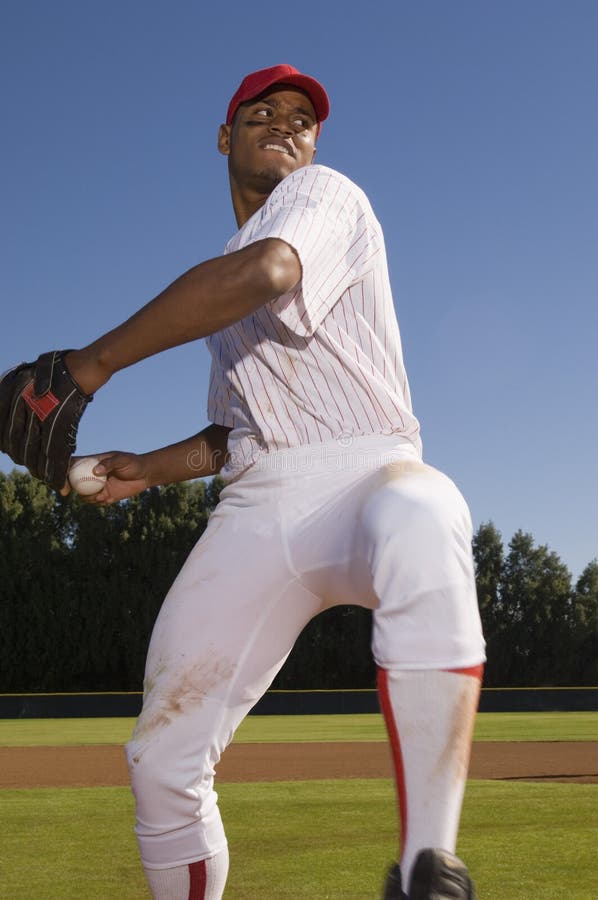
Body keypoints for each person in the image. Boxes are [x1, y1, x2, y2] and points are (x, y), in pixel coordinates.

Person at [5, 64, 486, 899]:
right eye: (261, 112)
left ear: (317, 143)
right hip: (261, 507)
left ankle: (425, 866)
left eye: (302, 118)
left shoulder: (326, 196)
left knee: (421, 511)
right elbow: (232, 437)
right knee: (161, 761)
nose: (286, 125)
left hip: (367, 467)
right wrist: (145, 471)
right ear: (224, 137)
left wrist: (85, 369)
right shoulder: (216, 295)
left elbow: (268, 272)